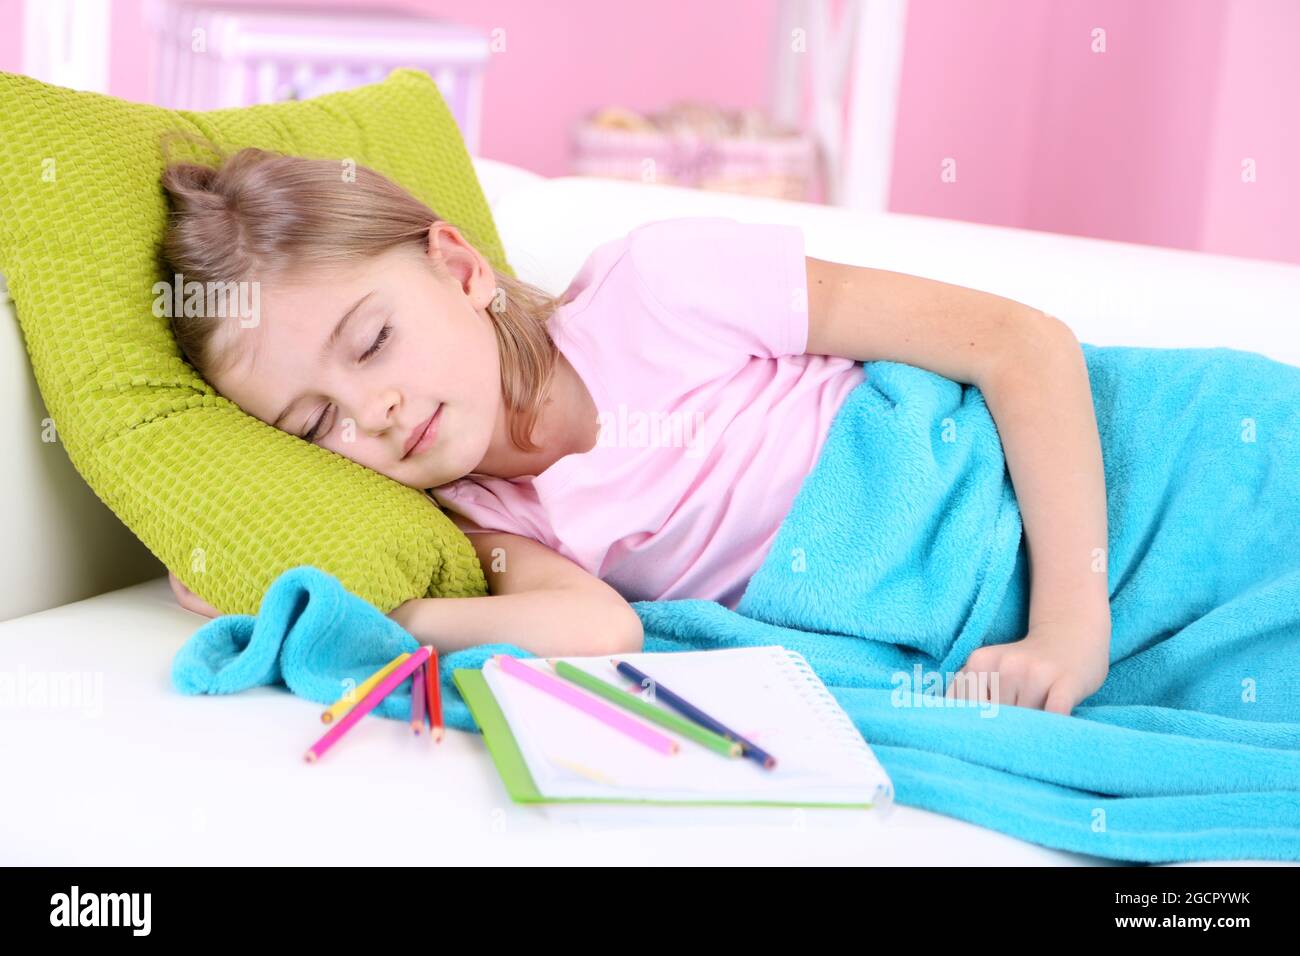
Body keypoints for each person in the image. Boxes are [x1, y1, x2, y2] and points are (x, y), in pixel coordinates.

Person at [160, 138, 1112, 714]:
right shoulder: (483, 517)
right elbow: (597, 625)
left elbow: (1020, 344)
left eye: (371, 342)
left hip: (1062, 468)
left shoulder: (658, 289)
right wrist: (311, 603)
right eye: (316, 421)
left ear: (458, 269)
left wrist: (1070, 624)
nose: (374, 414)